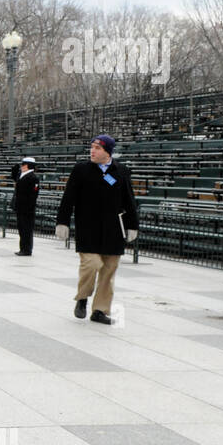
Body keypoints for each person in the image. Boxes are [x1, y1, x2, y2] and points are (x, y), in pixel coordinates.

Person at [55, 134, 138, 325]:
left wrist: (133, 225)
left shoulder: (121, 171)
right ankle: (82, 297)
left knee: (109, 271)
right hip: (88, 228)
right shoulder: (81, 169)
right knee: (91, 264)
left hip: (113, 229)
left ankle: (100, 310)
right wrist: (62, 222)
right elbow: (68, 197)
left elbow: (129, 199)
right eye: (92, 147)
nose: (92, 151)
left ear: (108, 152)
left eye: (97, 148)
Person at [12, 156, 39, 256]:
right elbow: (15, 178)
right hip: (20, 207)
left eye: (23, 164)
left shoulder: (33, 178)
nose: (21, 166)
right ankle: (22, 248)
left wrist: (28, 208)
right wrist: (14, 170)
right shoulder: (22, 175)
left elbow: (33, 195)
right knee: (21, 229)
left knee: (27, 230)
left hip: (27, 209)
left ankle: (27, 250)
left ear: (27, 166)